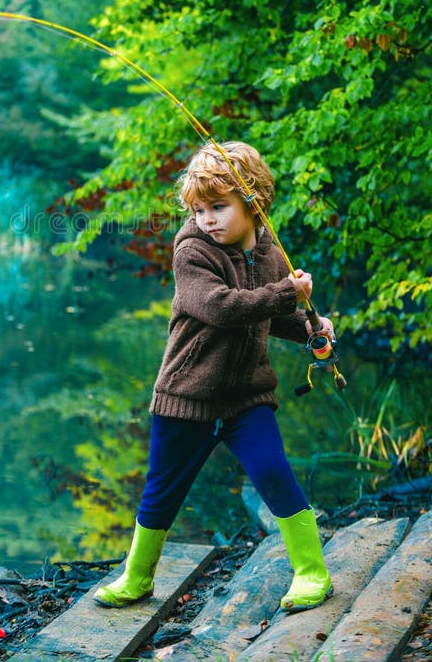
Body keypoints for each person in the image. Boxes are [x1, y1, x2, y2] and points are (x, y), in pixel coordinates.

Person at [94, 140, 334, 613]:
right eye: (199, 209)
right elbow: (219, 308)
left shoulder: (269, 252)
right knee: (163, 487)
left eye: (218, 207)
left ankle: (312, 572)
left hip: (248, 397)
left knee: (272, 469)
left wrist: (311, 328)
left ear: (254, 202)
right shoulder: (192, 251)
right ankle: (137, 577)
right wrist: (286, 293)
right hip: (188, 395)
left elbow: (267, 315)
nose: (207, 219)